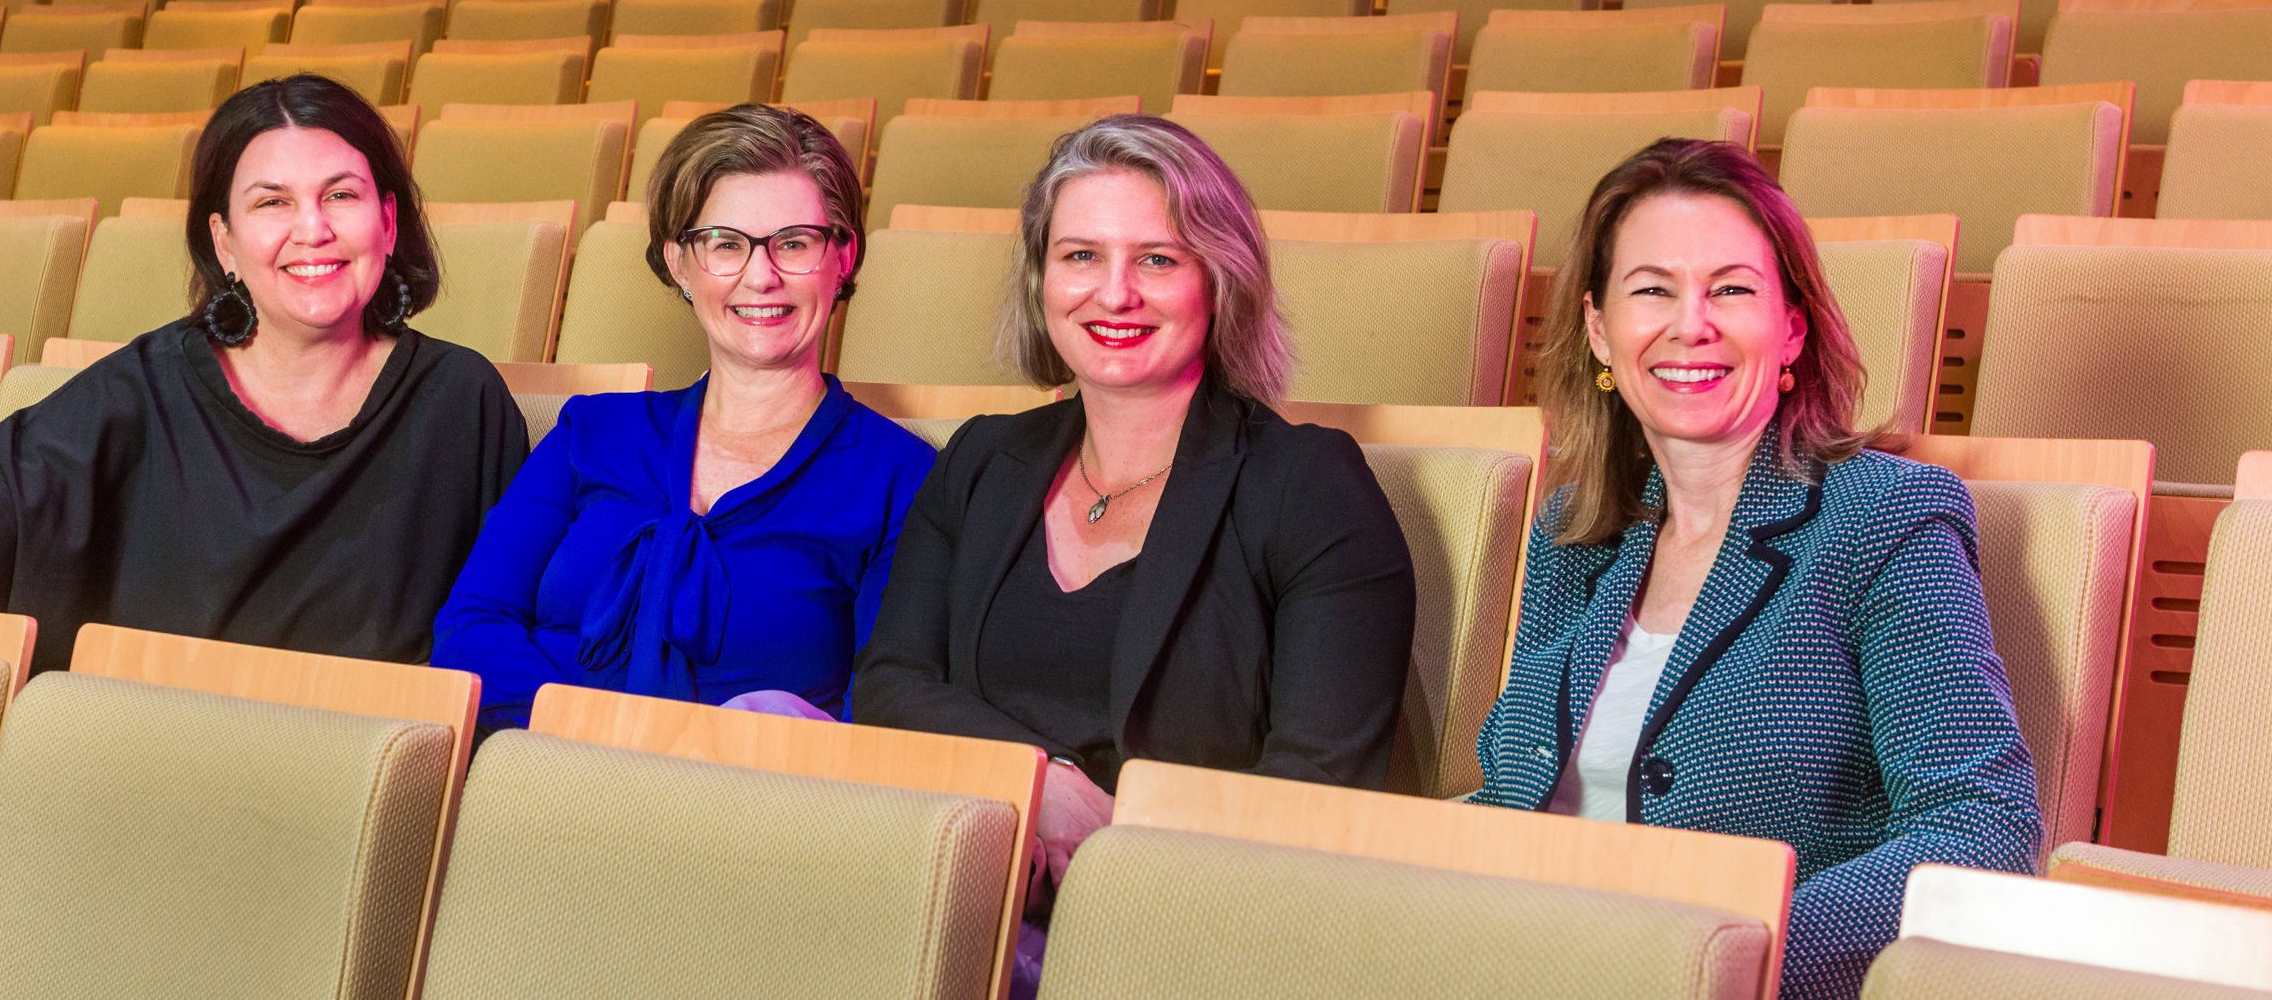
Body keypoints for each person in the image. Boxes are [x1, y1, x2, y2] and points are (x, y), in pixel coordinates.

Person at [0, 74, 529, 759]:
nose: (311, 229)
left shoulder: (462, 401)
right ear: (224, 242)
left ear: (388, 221)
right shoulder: (143, 388)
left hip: (361, 786)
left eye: (341, 196)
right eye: (271, 203)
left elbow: (503, 633)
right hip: (141, 772)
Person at [1468, 138, 2042, 1000]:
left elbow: (1981, 823)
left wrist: (1729, 965)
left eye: (1730, 289)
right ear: (1598, 329)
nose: (1689, 323)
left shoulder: (1882, 515)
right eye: (1651, 290)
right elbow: (1514, 799)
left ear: (1792, 329)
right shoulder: (1573, 530)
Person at [853, 115, 1416, 978]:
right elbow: (892, 683)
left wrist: (1113, 858)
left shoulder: (1308, 485)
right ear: (1043, 280)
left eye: (1157, 258)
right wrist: (1043, 782)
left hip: (1181, 934)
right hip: (964, 893)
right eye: (1081, 256)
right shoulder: (981, 461)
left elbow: (1318, 787)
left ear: (1219, 281)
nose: (1114, 293)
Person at [433, 104, 935, 735]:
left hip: (742, 806)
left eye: (795, 244)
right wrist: (593, 739)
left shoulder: (904, 479)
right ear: (679, 263)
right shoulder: (589, 432)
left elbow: (883, 708)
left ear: (843, 259)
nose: (762, 276)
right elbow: (471, 626)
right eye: (726, 244)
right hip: (538, 775)